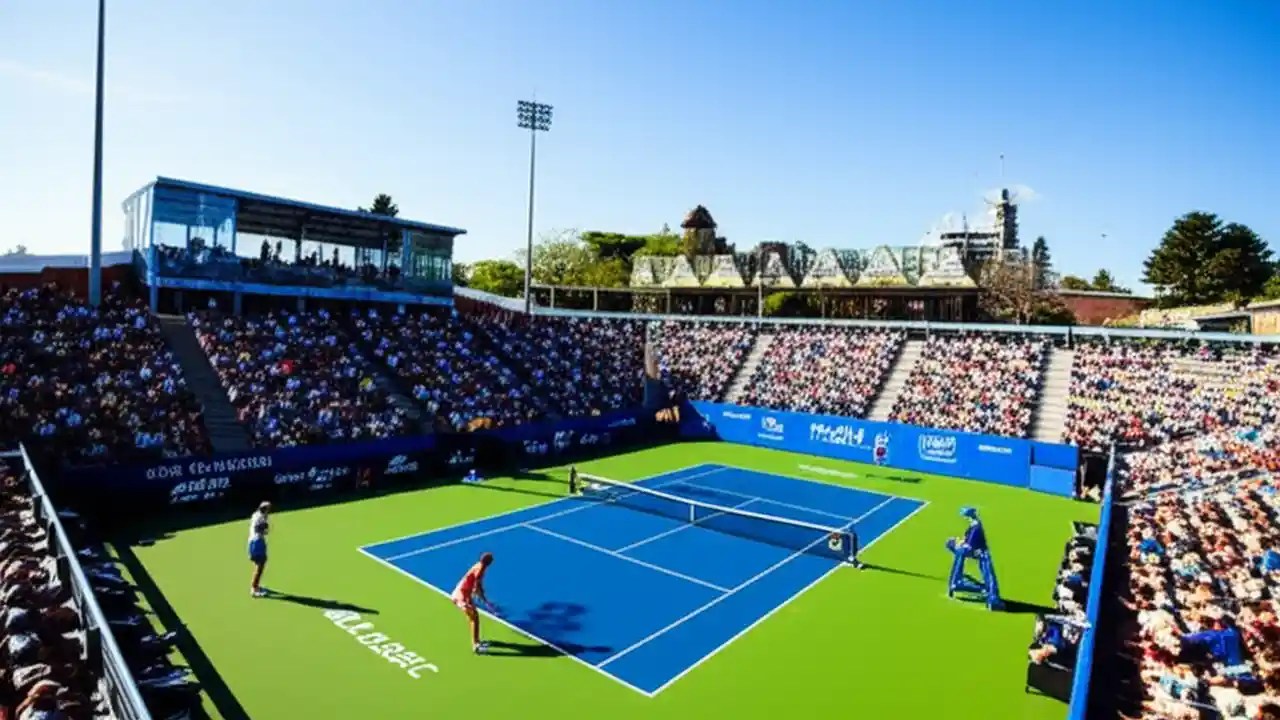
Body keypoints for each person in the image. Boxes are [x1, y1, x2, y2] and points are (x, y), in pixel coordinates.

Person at [451, 552, 496, 654]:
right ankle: (475, 646)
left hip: (466, 595)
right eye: (491, 559)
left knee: (475, 618)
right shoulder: (480, 569)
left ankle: (477, 641)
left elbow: (476, 586)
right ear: (488, 562)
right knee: (473, 618)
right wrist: (483, 597)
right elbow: (477, 586)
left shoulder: (480, 566)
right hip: (460, 596)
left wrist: (479, 595)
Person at [248, 501, 271, 598]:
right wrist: (265, 528)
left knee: (259, 566)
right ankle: (254, 589)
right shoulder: (261, 519)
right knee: (260, 566)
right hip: (257, 543)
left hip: (253, 542)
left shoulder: (256, 514)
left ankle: (255, 585)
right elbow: (262, 530)